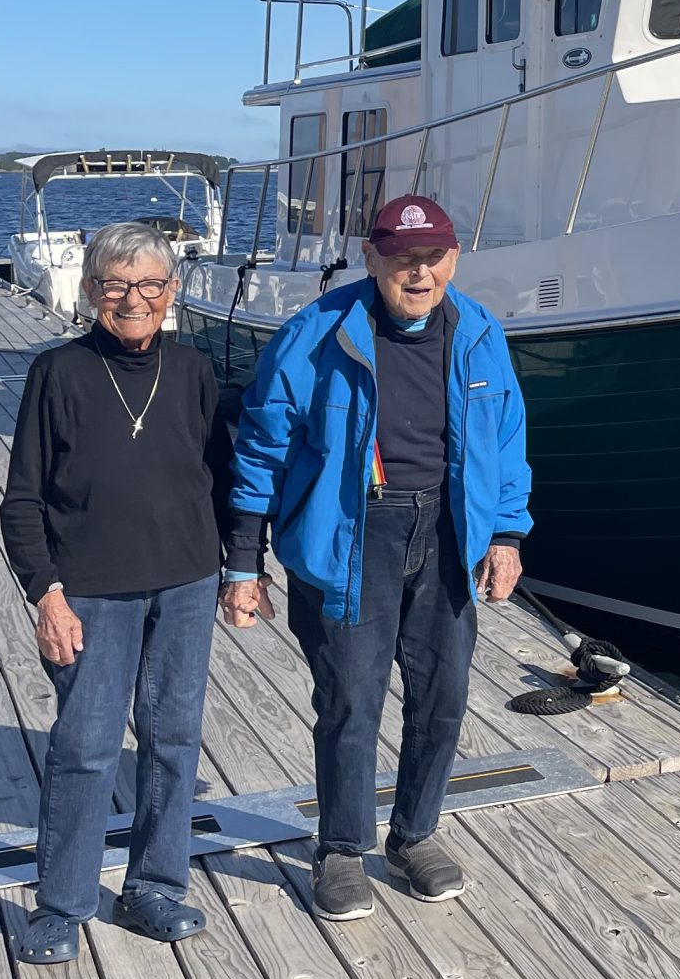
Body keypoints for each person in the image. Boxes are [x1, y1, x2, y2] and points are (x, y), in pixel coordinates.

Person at [221, 194, 530, 921]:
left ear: (452, 260)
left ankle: (414, 834)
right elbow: (260, 451)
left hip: (448, 535)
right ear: (371, 260)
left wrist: (507, 536)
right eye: (401, 260)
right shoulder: (314, 334)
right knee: (351, 701)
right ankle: (341, 847)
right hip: (350, 537)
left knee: (443, 697)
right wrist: (243, 562)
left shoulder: (480, 332)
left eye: (431, 259)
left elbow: (507, 442)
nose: (417, 274)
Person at [1, 220, 233, 965]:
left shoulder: (195, 371)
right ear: (92, 290)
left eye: (150, 284)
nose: (133, 299)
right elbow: (23, 500)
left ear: (171, 292)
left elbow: (220, 480)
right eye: (115, 284)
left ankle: (154, 886)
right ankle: (62, 904)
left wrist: (242, 571)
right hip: (92, 591)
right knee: (86, 747)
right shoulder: (58, 373)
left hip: (188, 584)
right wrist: (48, 594)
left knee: (172, 740)